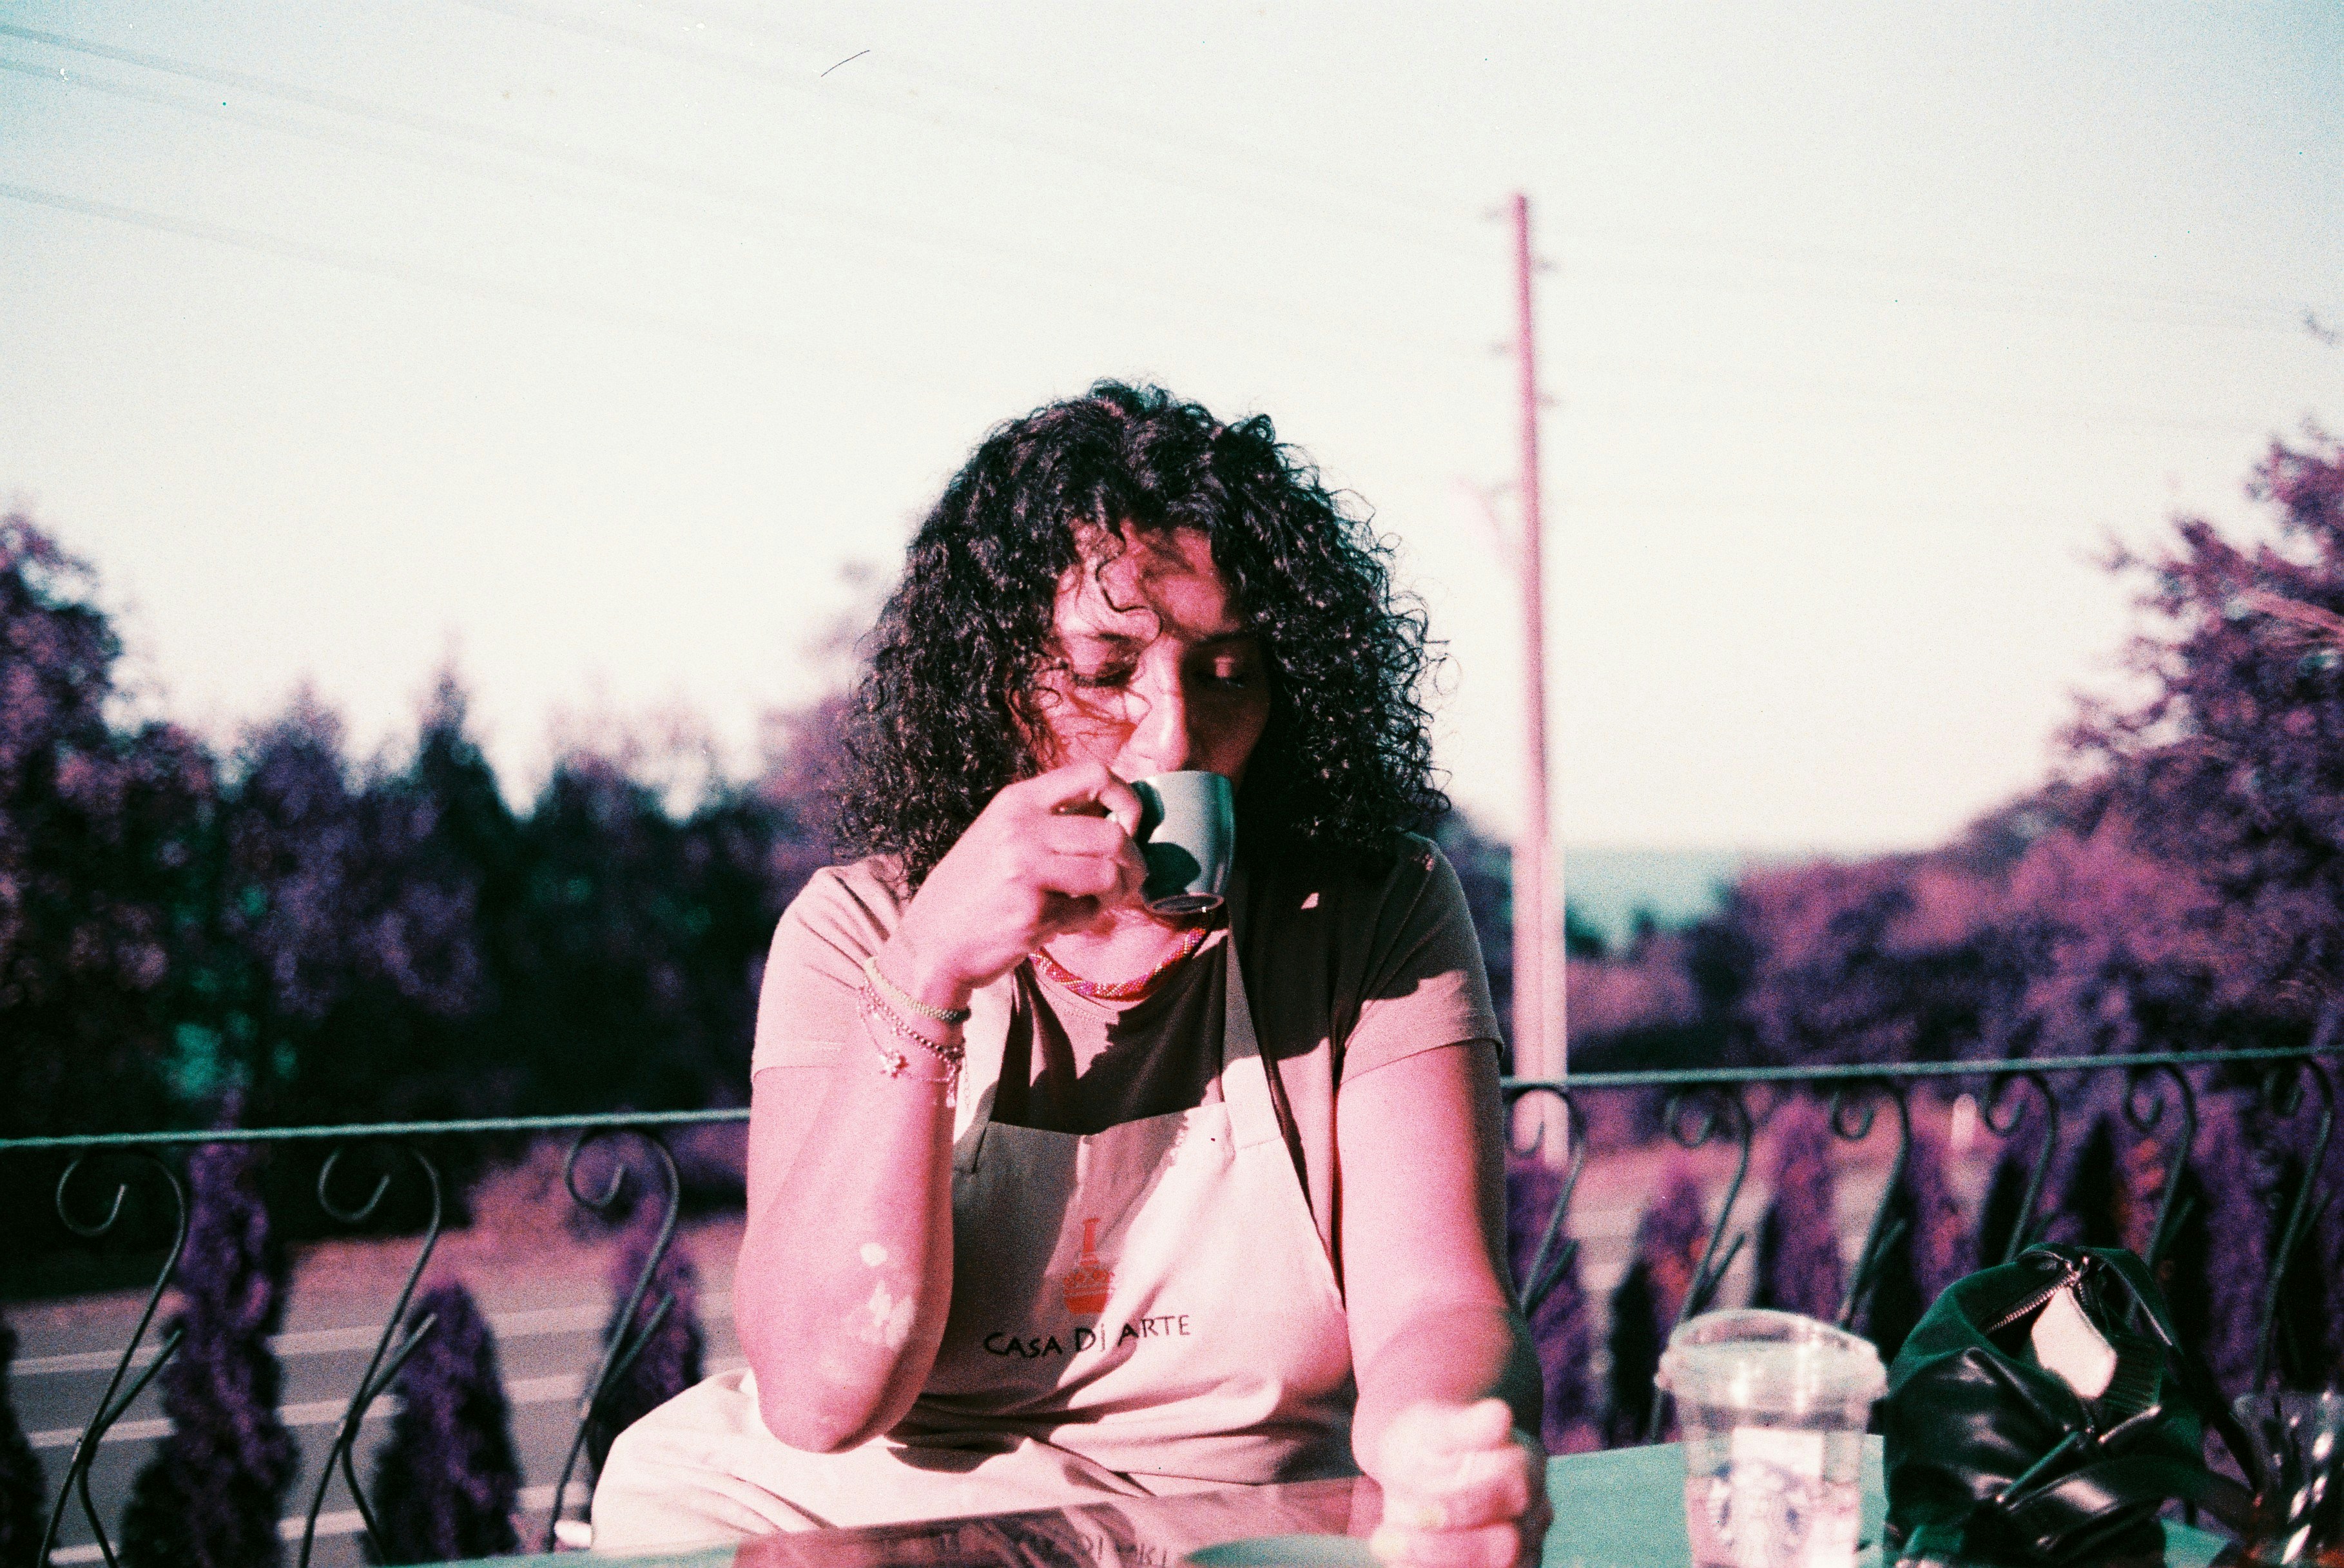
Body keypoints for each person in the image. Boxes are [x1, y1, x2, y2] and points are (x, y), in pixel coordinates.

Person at [592, 383, 1550, 1567]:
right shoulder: (856, 928)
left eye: (1227, 672)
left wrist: (1440, 1447)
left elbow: (1439, 1304)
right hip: (899, 1513)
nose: (1172, 741)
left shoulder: (1372, 910)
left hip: (1238, 1519)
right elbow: (821, 1398)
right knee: (664, 1501)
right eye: (1106, 671)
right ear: (995, 677)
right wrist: (927, 969)